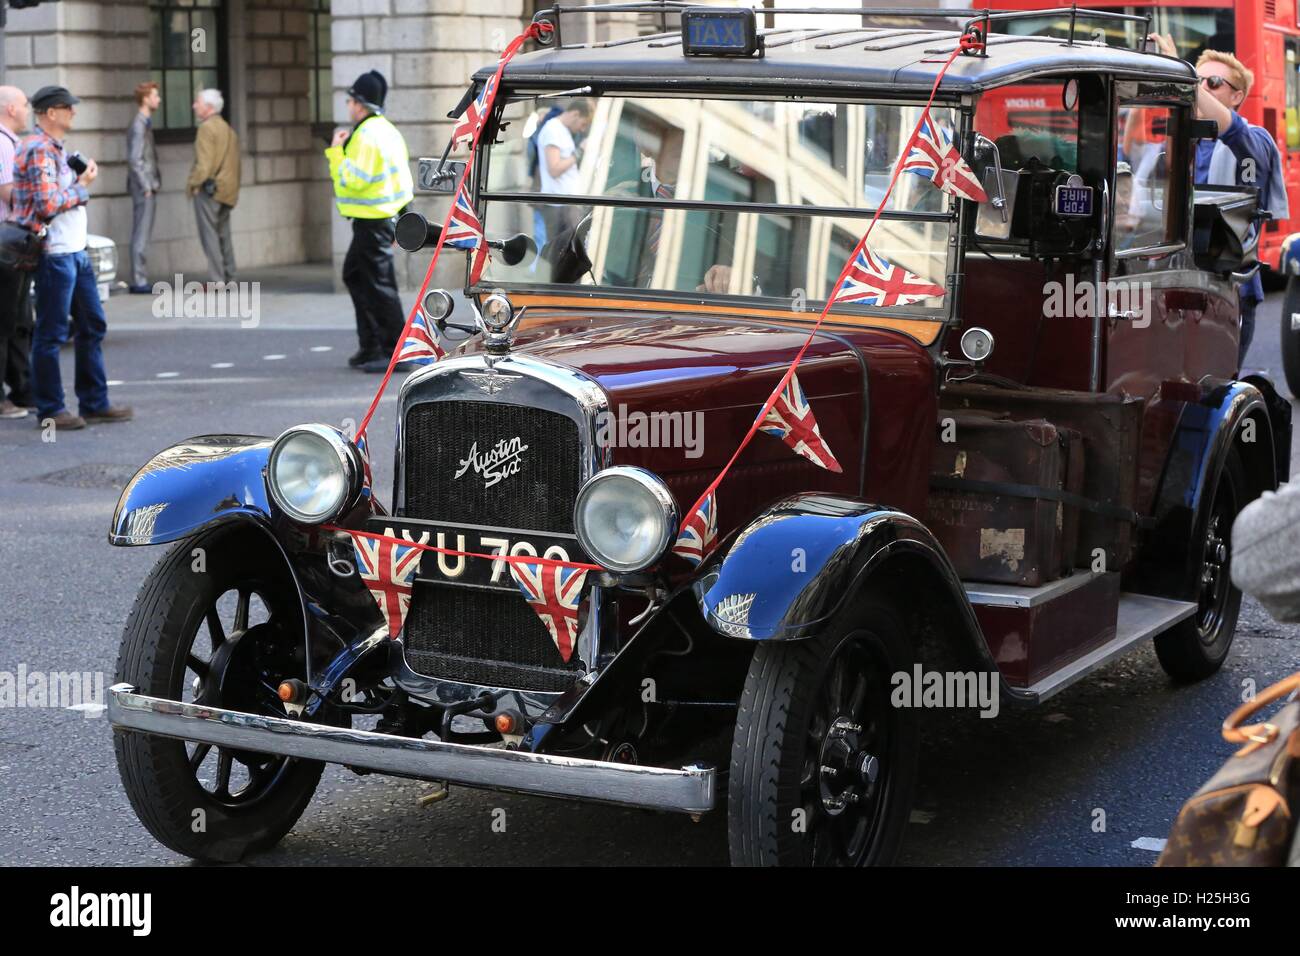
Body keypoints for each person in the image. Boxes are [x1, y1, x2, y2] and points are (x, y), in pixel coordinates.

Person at [1150, 36, 1288, 370]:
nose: (1203, 89)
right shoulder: (1179, 144)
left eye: (1212, 82)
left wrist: (1183, 73)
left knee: (1213, 386)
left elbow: (1232, 130)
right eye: (1199, 81)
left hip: (1229, 289)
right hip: (1175, 283)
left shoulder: (1255, 141)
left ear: (1237, 96)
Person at [13, 85, 131, 430]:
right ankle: (51, 409)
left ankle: (94, 402)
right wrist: (83, 186)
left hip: (75, 251)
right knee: (50, 333)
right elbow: (47, 204)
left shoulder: (55, 148)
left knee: (92, 324)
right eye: (68, 107)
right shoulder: (37, 150)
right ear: (51, 113)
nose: (74, 112)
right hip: (55, 254)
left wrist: (78, 180)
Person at [326, 70, 414, 373]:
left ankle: (394, 352)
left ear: (360, 103)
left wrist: (336, 153)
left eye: (350, 100)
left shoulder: (365, 136)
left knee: (379, 285)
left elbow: (353, 181)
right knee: (356, 275)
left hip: (373, 220)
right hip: (380, 219)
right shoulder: (386, 130)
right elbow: (403, 179)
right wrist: (402, 217)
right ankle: (372, 346)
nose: (348, 106)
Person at [0, 85, 33, 419]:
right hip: (5, 243)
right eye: (24, 104)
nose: (28, 109)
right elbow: (9, 192)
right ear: (10, 109)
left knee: (20, 320)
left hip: (12, 244)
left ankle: (22, 388)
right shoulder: (3, 145)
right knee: (6, 321)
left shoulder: (11, 143)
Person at [186, 88, 240, 283]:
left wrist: (193, 184)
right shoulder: (227, 128)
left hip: (210, 190)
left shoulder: (206, 128)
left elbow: (204, 165)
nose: (194, 105)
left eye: (197, 102)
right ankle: (230, 277)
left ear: (208, 107)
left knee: (210, 237)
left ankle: (218, 280)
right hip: (227, 191)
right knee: (224, 236)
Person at [537, 98, 592, 238]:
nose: (582, 129)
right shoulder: (553, 130)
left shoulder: (562, 130)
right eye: (583, 123)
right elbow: (554, 169)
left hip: (566, 204)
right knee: (561, 253)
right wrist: (579, 152)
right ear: (575, 114)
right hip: (559, 206)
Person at [126, 80, 161, 294]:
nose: (158, 99)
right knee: (141, 233)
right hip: (143, 187)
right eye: (155, 95)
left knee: (143, 232)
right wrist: (146, 185)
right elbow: (134, 159)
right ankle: (138, 280)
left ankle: (140, 277)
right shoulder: (139, 125)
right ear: (146, 98)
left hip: (147, 184)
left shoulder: (144, 122)